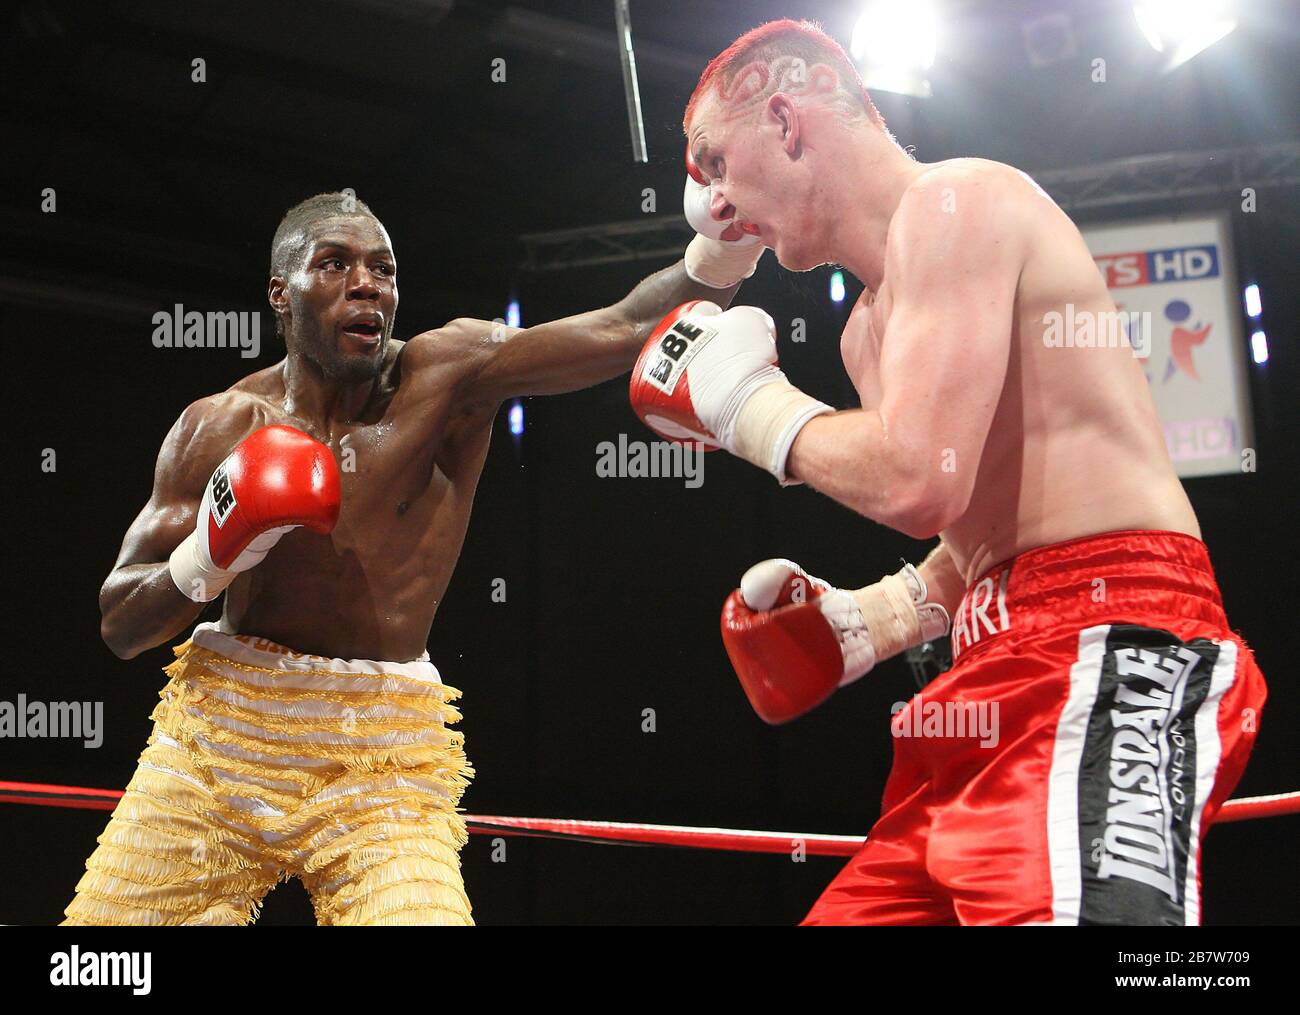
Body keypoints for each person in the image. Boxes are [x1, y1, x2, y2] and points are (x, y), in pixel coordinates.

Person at [629, 19, 1266, 925]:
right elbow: (976, 528)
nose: (719, 208)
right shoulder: (864, 332)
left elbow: (916, 481)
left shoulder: (960, 201)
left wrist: (747, 409)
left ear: (785, 120)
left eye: (716, 164)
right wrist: (872, 618)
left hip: (1117, 640)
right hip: (990, 662)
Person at [64, 188, 757, 925]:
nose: (367, 283)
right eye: (335, 264)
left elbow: (621, 326)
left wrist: (726, 249)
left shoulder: (448, 377)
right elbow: (121, 623)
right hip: (221, 735)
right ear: (279, 294)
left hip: (382, 755)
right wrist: (208, 552)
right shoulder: (219, 426)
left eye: (383, 269)